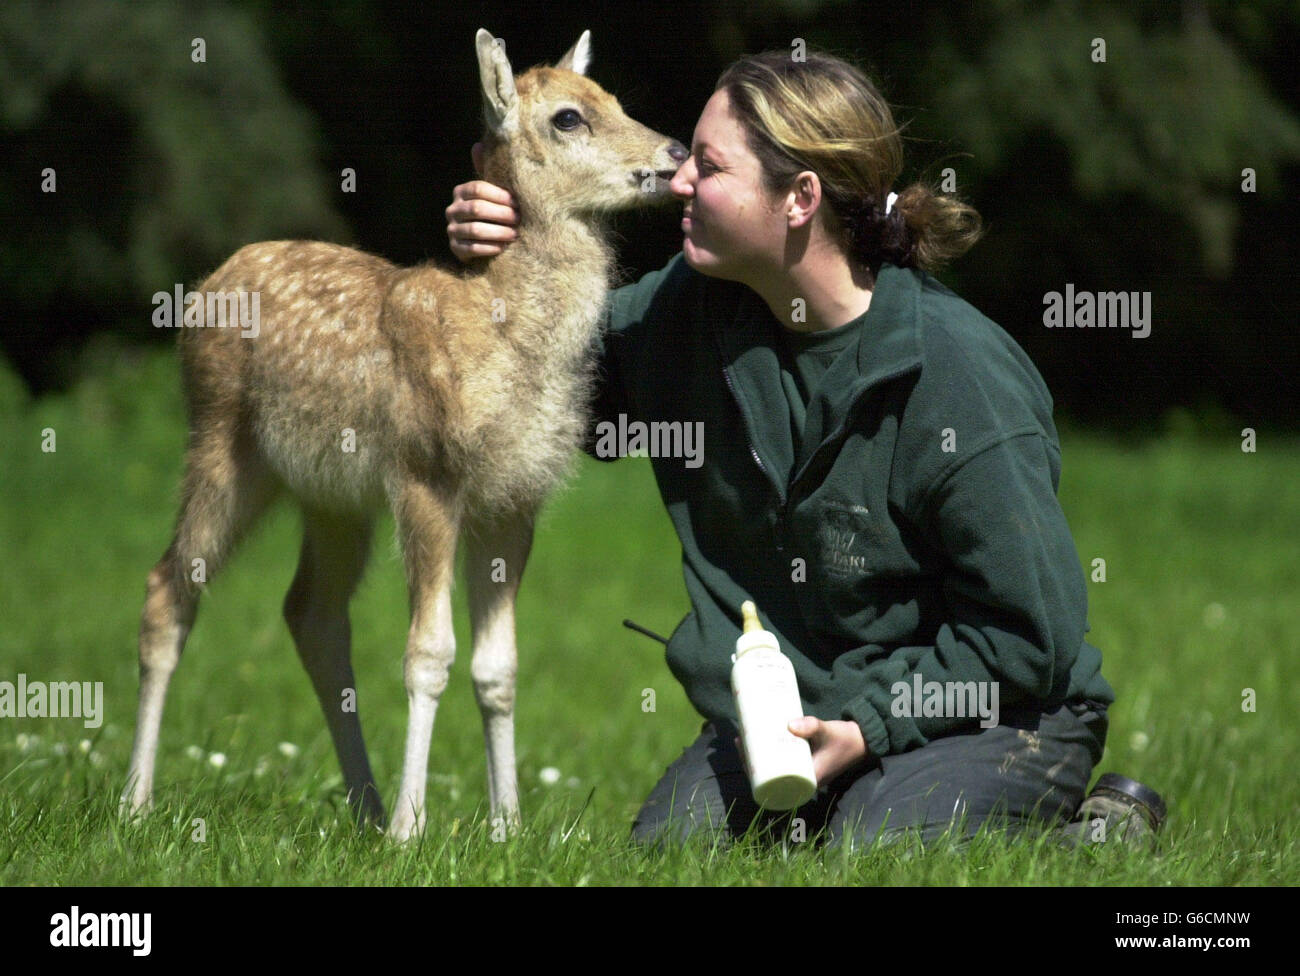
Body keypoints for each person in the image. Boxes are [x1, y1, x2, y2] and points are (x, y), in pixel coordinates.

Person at [446, 48, 1159, 849]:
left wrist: (868, 725)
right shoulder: (691, 311)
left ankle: (1101, 833)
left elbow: (1029, 640)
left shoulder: (957, 377)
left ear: (799, 199)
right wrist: (507, 235)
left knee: (876, 852)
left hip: (991, 710)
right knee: (670, 854)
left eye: (709, 167)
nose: (678, 176)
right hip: (780, 714)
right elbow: (536, 388)